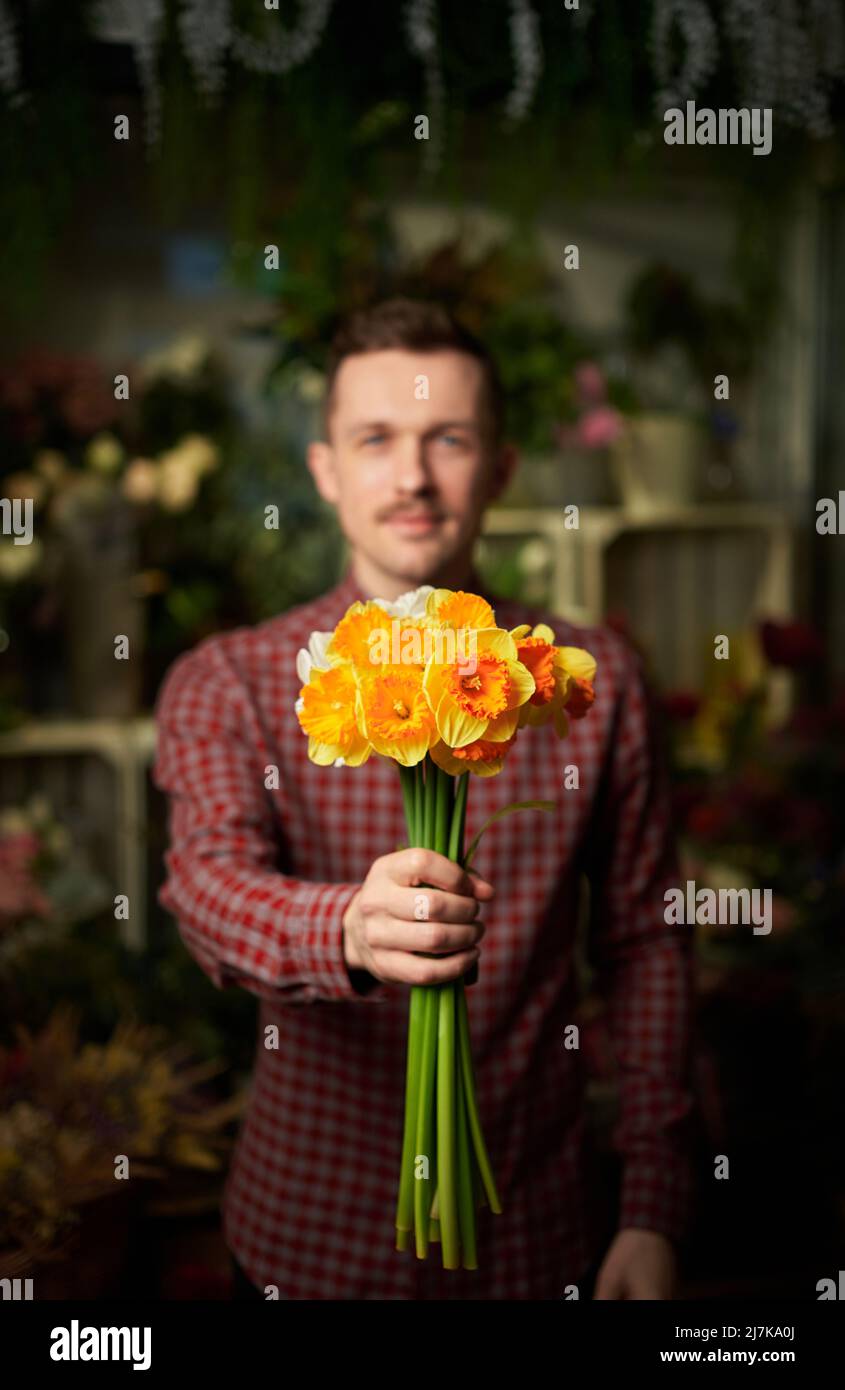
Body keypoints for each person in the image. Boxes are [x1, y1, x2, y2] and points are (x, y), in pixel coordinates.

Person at [152, 297, 695, 1301]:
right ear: (325, 470)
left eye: (446, 438)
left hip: (538, 1233)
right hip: (306, 1236)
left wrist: (653, 1203)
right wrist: (346, 929)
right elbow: (205, 889)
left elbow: (646, 939)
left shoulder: (584, 678)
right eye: (374, 440)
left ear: (498, 468)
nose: (410, 477)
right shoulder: (229, 678)